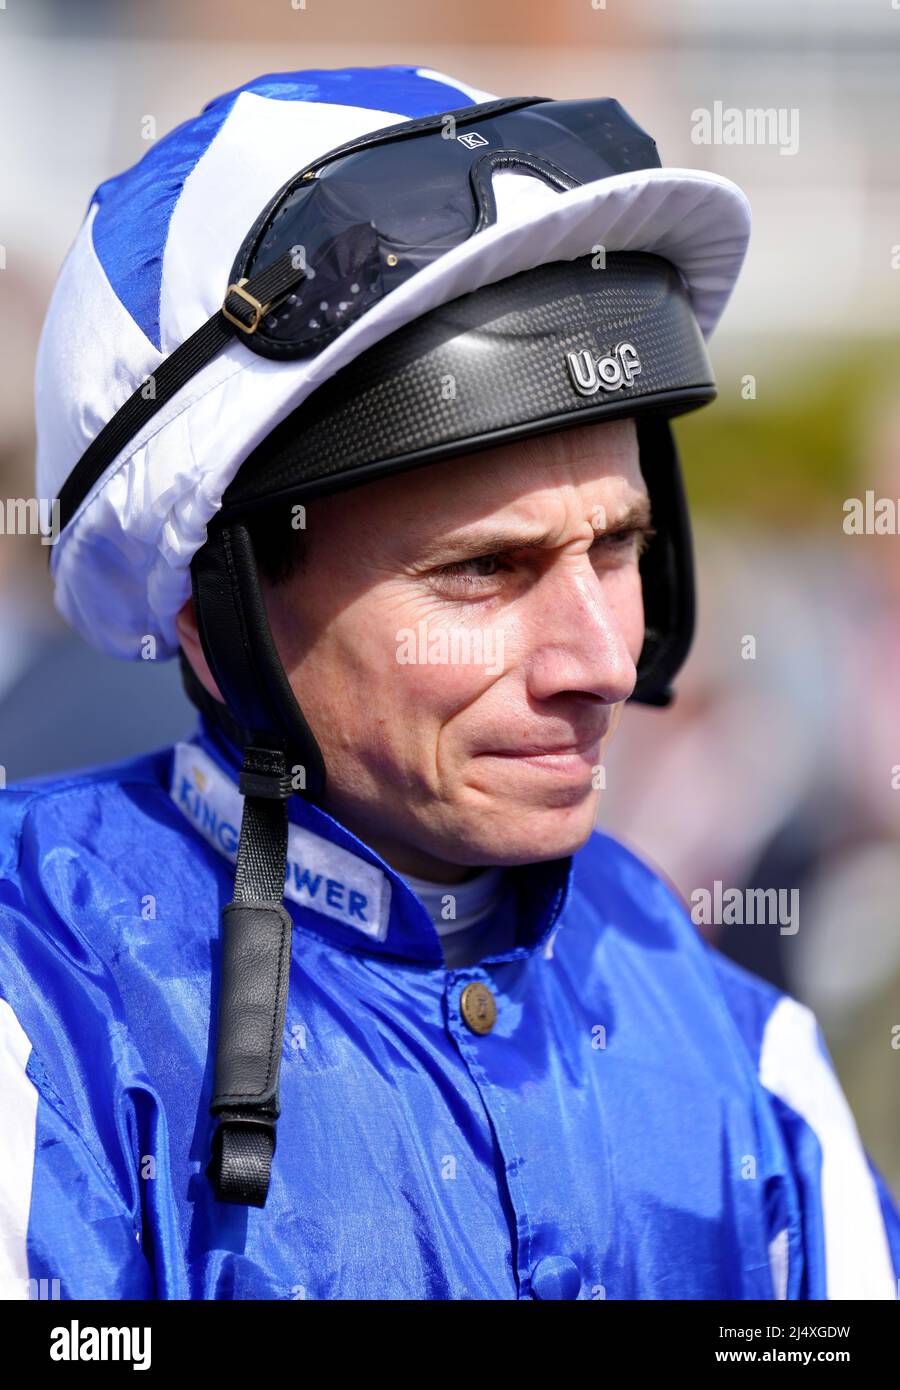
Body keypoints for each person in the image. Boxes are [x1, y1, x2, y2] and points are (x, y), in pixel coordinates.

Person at [1, 65, 897, 1301]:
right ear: (220, 621)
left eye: (620, 545)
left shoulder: (753, 1060)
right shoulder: (36, 1010)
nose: (601, 660)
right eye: (486, 569)